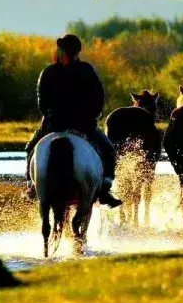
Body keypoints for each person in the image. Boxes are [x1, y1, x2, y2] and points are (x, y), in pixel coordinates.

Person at [24, 34, 122, 208]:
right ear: (78, 51)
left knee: (31, 148)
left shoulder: (49, 72)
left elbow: (42, 102)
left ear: (60, 50)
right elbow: (98, 97)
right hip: (84, 125)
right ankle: (105, 188)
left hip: (54, 125)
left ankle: (31, 186)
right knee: (109, 151)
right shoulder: (87, 70)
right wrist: (93, 116)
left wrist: (50, 116)